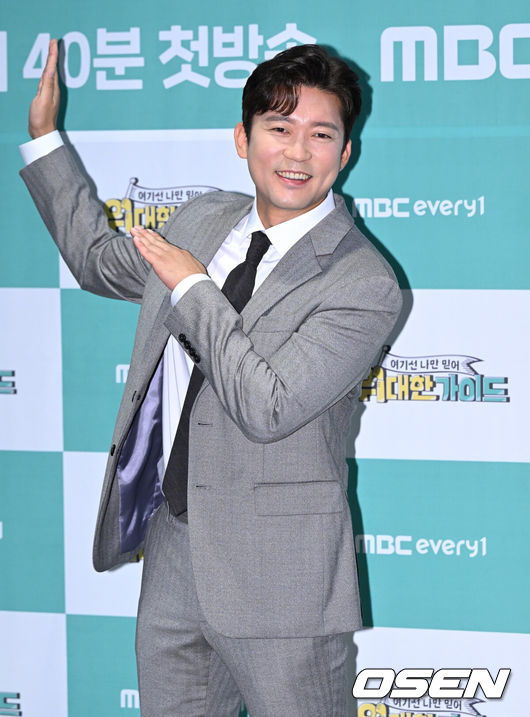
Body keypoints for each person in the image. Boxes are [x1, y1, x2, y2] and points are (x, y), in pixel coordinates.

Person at [21, 39, 402, 717]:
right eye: (279, 128)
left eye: (321, 135)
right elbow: (97, 262)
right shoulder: (202, 220)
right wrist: (46, 138)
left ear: (345, 153)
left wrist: (193, 287)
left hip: (282, 578)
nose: (297, 151)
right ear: (242, 138)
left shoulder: (362, 281)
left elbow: (267, 406)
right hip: (174, 545)